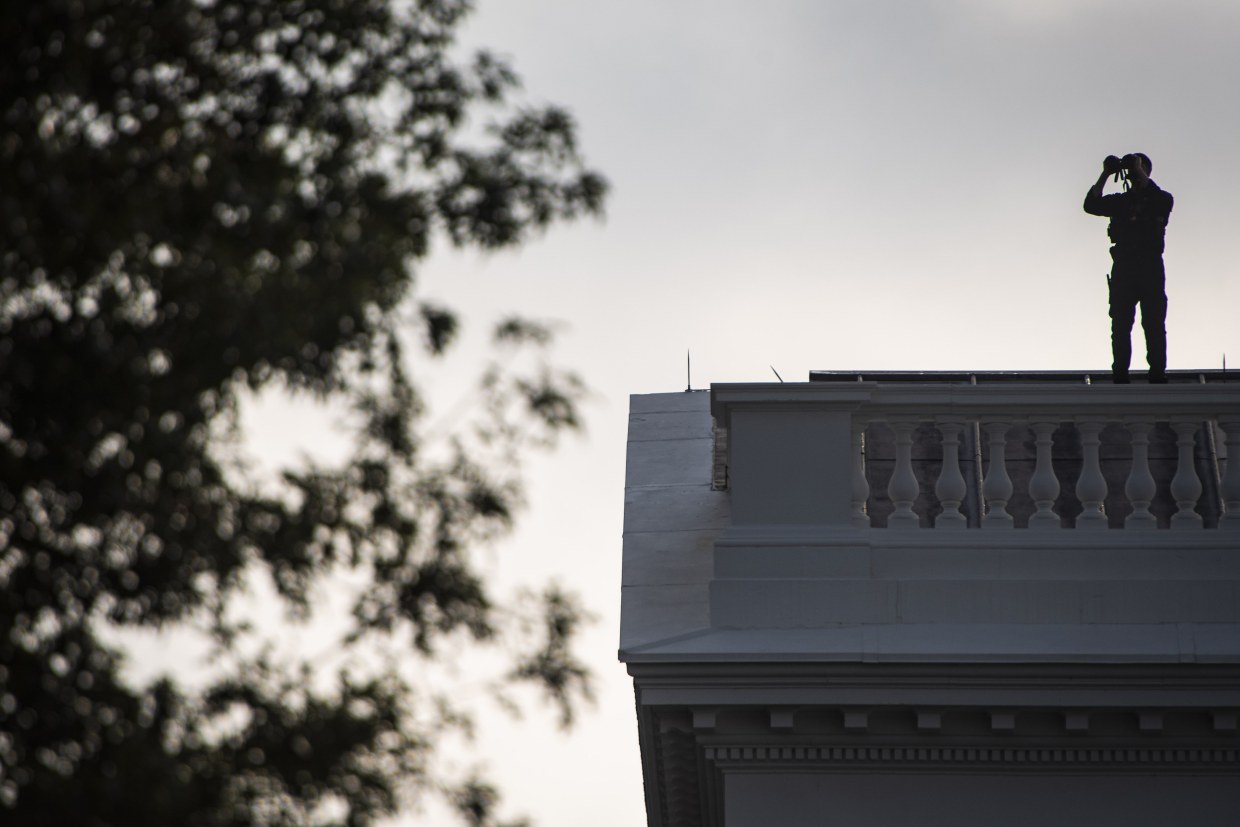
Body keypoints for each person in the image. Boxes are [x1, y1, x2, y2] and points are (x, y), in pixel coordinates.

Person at [1084, 152, 1174, 384]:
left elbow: (1158, 199)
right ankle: (1121, 374)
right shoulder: (1121, 202)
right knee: (1121, 324)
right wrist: (1106, 173)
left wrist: (1138, 169)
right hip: (1124, 268)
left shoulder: (1161, 199)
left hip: (1150, 268)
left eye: (1140, 168)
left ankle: (1157, 372)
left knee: (1153, 322)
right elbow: (1091, 205)